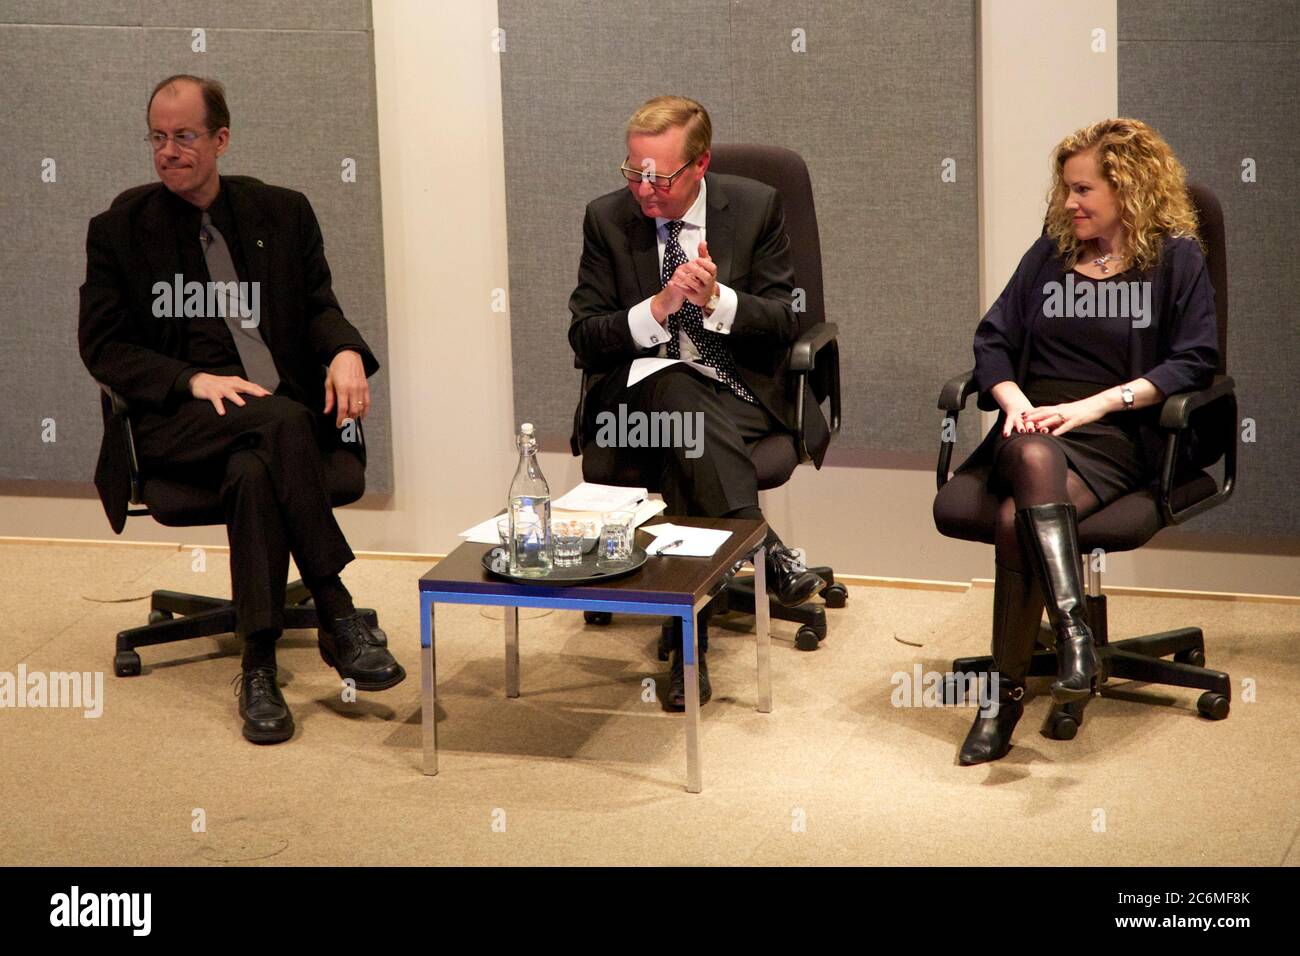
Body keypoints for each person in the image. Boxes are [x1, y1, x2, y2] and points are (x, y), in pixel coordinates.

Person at [78, 75, 405, 745]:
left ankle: (258, 668)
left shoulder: (282, 214)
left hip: (267, 423)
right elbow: (103, 346)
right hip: (178, 421)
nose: (168, 152)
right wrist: (191, 380)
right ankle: (337, 607)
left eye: (185, 137)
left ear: (221, 139)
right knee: (282, 422)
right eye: (158, 138)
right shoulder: (118, 232)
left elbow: (319, 307)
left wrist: (345, 351)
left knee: (256, 470)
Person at [942, 118, 1219, 764]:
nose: (1070, 203)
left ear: (1129, 189)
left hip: (1119, 434)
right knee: (1033, 452)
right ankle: (1073, 635)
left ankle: (1004, 700)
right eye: (1067, 189)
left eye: (1084, 190)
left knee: (1017, 520)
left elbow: (1196, 360)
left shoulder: (1176, 259)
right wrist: (1013, 399)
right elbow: (993, 338)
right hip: (1030, 428)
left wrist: (1095, 405)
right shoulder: (1050, 252)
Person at [568, 95, 831, 711]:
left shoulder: (756, 207)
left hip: (737, 394)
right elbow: (584, 337)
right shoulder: (606, 220)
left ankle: (690, 646)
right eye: (634, 172)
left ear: (701, 165)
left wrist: (718, 301)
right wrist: (656, 310)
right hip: (632, 403)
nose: (645, 189)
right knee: (673, 389)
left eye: (660, 175)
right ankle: (762, 550)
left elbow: (784, 323)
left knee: (686, 432)